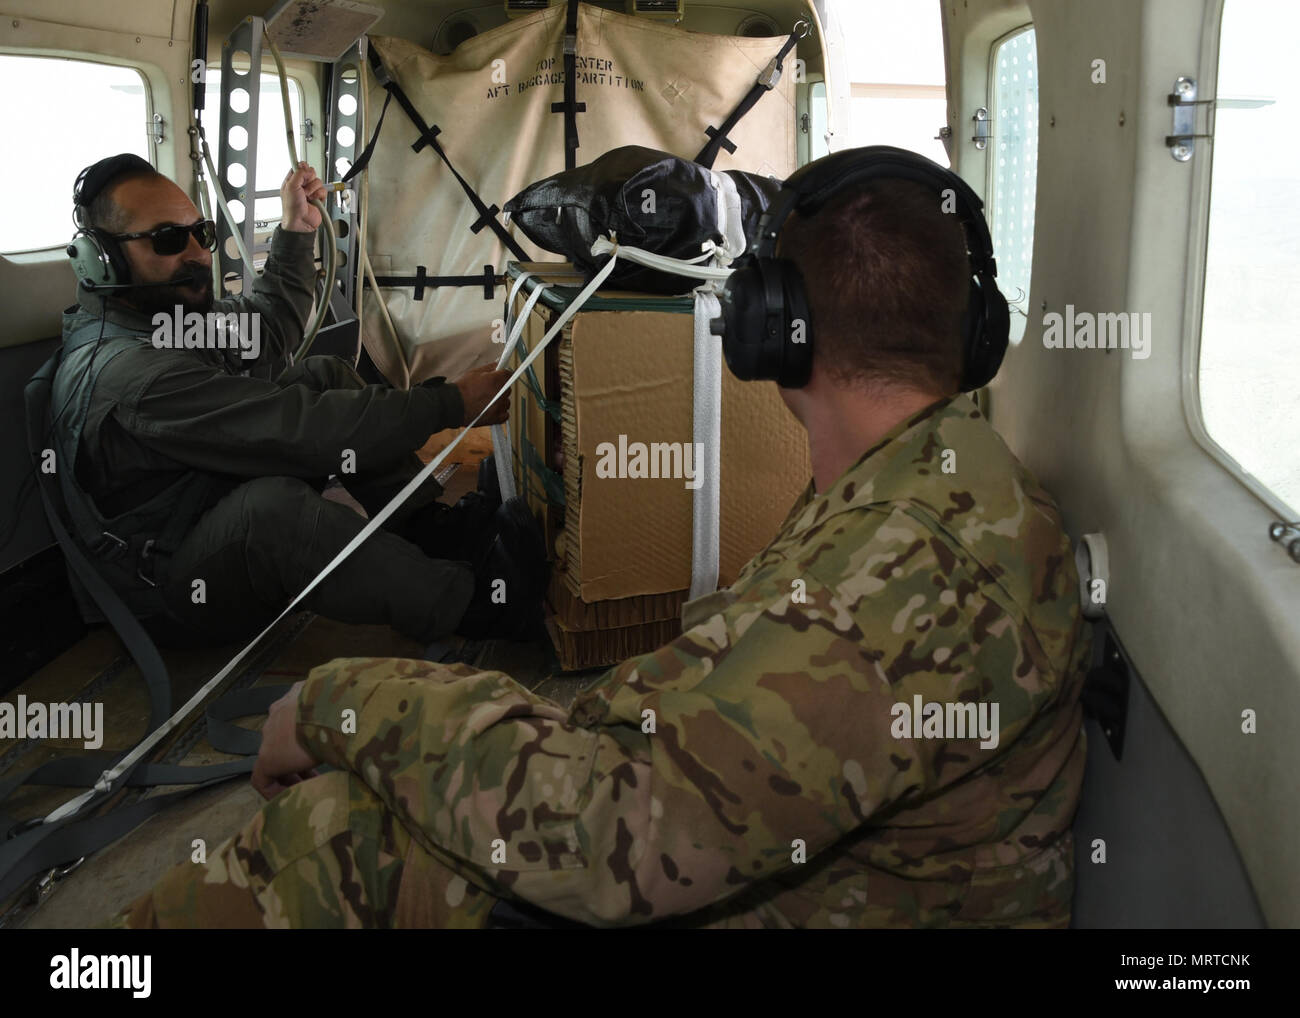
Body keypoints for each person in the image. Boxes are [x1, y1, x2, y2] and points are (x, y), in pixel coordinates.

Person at [114, 152, 1091, 929]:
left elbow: (621, 843)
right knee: (384, 805)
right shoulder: (934, 474)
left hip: (781, 884)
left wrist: (338, 702)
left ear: (769, 330)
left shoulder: (898, 571)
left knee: (333, 844)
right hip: (821, 867)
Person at [45, 153, 544, 648]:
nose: (198, 253)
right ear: (102, 260)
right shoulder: (134, 376)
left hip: (198, 511)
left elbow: (264, 330)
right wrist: (450, 405)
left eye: (202, 232)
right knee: (271, 511)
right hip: (169, 593)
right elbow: (301, 427)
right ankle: (477, 603)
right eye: (169, 240)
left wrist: (296, 231)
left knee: (321, 376)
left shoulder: (162, 320)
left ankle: (431, 532)